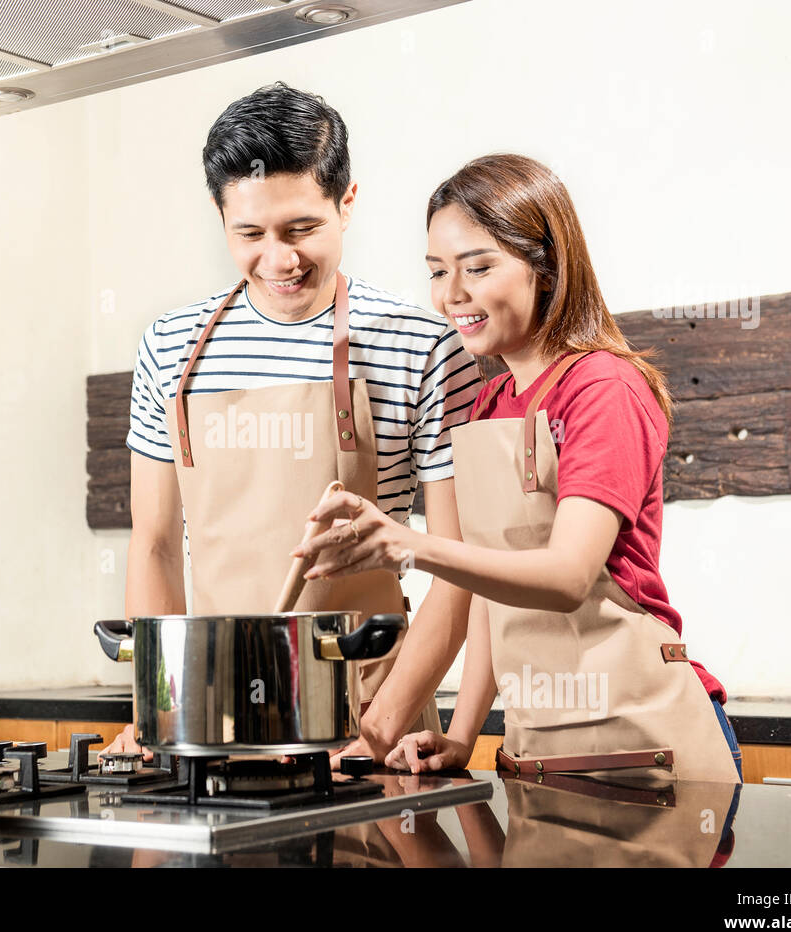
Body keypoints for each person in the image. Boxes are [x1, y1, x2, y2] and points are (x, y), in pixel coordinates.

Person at [292, 153, 744, 784]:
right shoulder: (490, 404)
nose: (453, 295)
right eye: (437, 271)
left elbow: (565, 577)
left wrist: (408, 545)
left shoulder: (605, 388)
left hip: (648, 749)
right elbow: (489, 597)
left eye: (478, 267)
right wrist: (461, 735)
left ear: (547, 265)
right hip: (541, 751)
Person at [101, 82, 480, 757]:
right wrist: (159, 706)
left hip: (372, 720)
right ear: (220, 216)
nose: (279, 259)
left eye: (301, 228)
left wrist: (379, 726)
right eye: (250, 233)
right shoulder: (169, 347)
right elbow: (155, 544)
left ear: (348, 203)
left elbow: (461, 567)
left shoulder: (422, 344)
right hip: (214, 717)